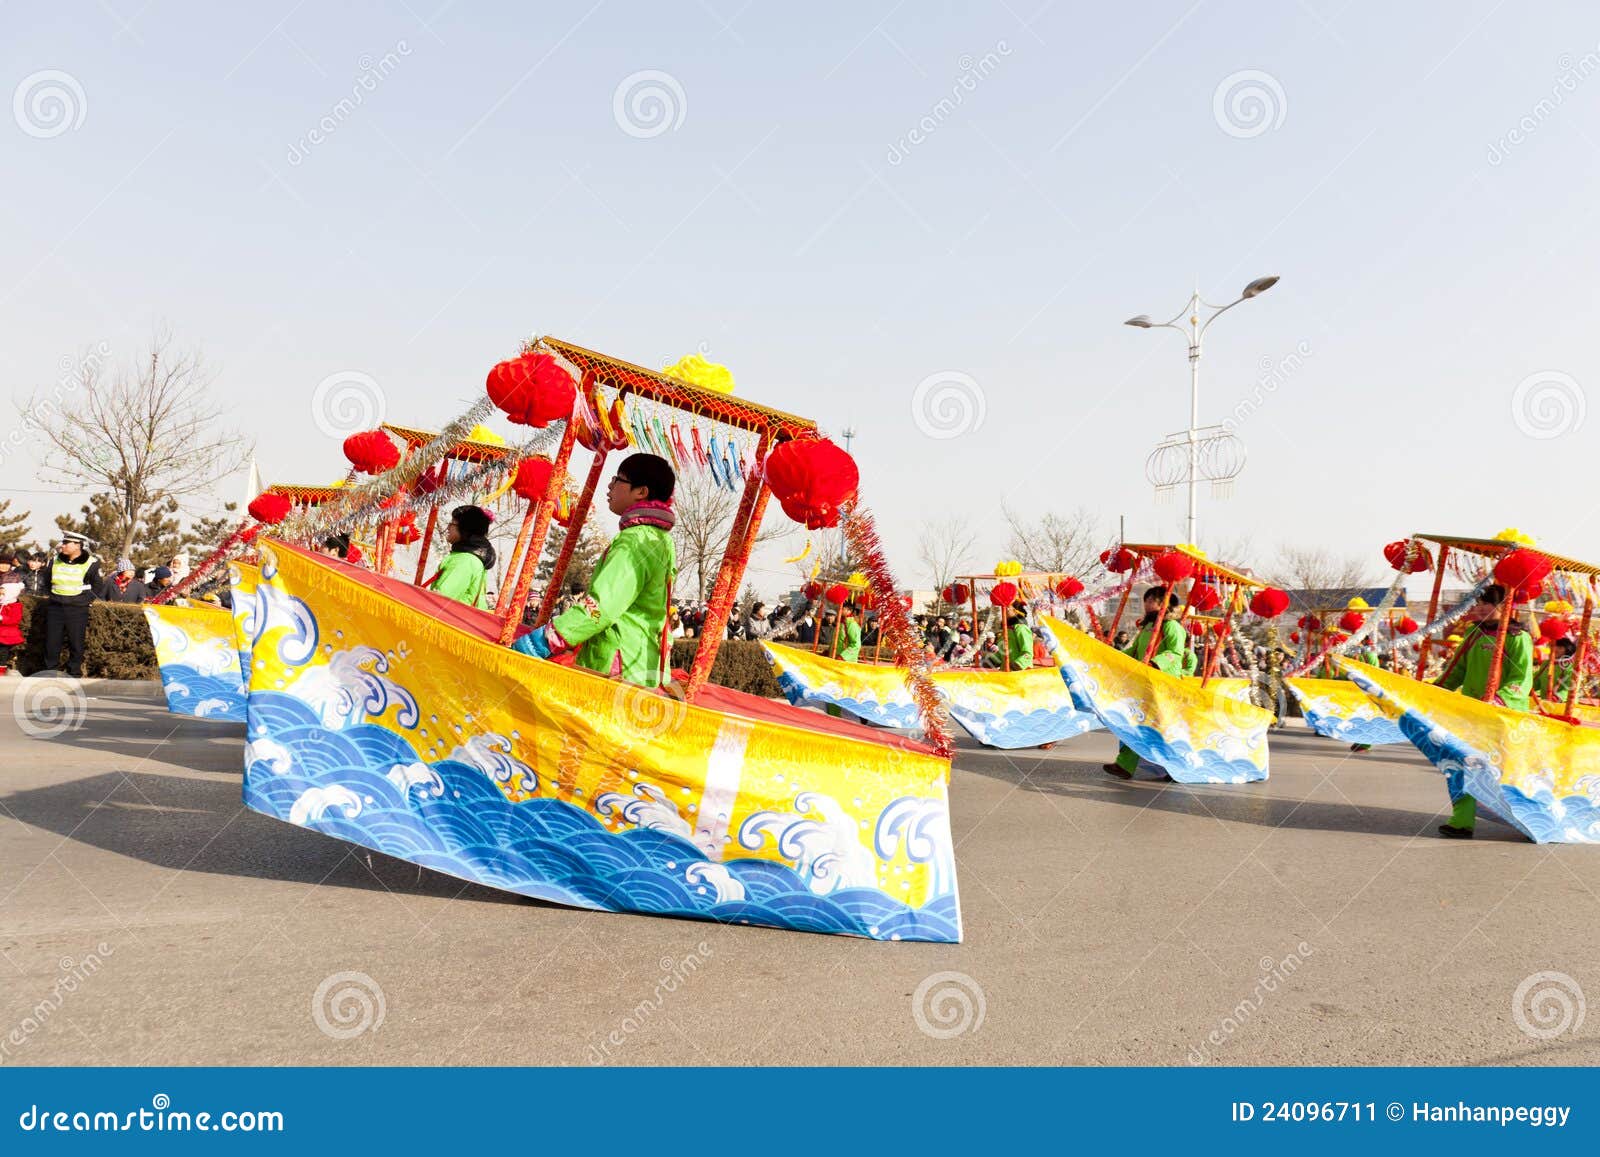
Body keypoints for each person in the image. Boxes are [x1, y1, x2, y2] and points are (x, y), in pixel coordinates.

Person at [512, 453, 677, 688]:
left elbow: (602, 608)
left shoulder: (635, 541)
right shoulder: (659, 540)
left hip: (619, 664)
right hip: (642, 662)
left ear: (641, 492)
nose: (610, 485)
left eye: (618, 479)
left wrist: (544, 640)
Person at [1433, 584, 1534, 838]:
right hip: (1472, 712)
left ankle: (1528, 821)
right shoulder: (1474, 635)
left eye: (1486, 604)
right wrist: (1434, 692)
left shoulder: (1517, 637)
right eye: (1478, 604)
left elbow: (1522, 679)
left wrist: (1500, 699)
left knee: (1506, 770)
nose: (1479, 609)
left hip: (1504, 716)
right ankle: (1462, 820)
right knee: (1460, 763)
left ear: (1504, 606)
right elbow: (1456, 670)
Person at [1104, 586, 1185, 780]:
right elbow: (1133, 651)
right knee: (1135, 723)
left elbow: (1175, 653)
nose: (1147, 605)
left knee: (1162, 727)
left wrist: (1157, 663)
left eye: (1151, 601)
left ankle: (1174, 768)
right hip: (1144, 683)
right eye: (1146, 601)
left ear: (1163, 603)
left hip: (1162, 684)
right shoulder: (1147, 627)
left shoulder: (1172, 627)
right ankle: (1125, 764)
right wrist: (1110, 657)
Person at [40, 532, 100, 678]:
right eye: (63, 542)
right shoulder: (55, 560)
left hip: (77, 608)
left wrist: (86, 601)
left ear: (78, 545)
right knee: (51, 642)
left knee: (76, 642)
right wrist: (52, 596)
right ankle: (50, 671)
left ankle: (74, 672)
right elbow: (47, 581)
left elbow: (97, 585)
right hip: (56, 606)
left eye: (67, 543)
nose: (63, 546)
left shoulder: (91, 562)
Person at [428, 506, 496, 609]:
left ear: (465, 529)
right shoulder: (471, 558)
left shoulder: (465, 561)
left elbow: (439, 600)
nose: (448, 527)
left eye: (452, 523)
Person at [1535, 637, 1577, 702]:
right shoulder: (1546, 663)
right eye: (1553, 646)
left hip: (1564, 704)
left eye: (1560, 648)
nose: (1555, 649)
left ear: (1567, 651)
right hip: (1545, 702)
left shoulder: (1569, 666)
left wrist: (1558, 697)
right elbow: (1537, 681)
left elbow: (1571, 686)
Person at [0, 565, 22, 676]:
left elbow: (14, 619)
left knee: (3, 653)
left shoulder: (14, 605)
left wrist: (2, 618)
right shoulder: (2, 603)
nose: (1, 595)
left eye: (3, 593)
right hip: (1, 632)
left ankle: (1, 670)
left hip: (7, 634)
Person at [1006, 601, 1034, 670]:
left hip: (1020, 672)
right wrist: (992, 659)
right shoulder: (1007, 630)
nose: (1005, 610)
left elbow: (1028, 652)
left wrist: (1018, 664)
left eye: (1008, 608)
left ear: (1015, 611)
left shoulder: (1021, 628)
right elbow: (1002, 652)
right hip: (1006, 672)